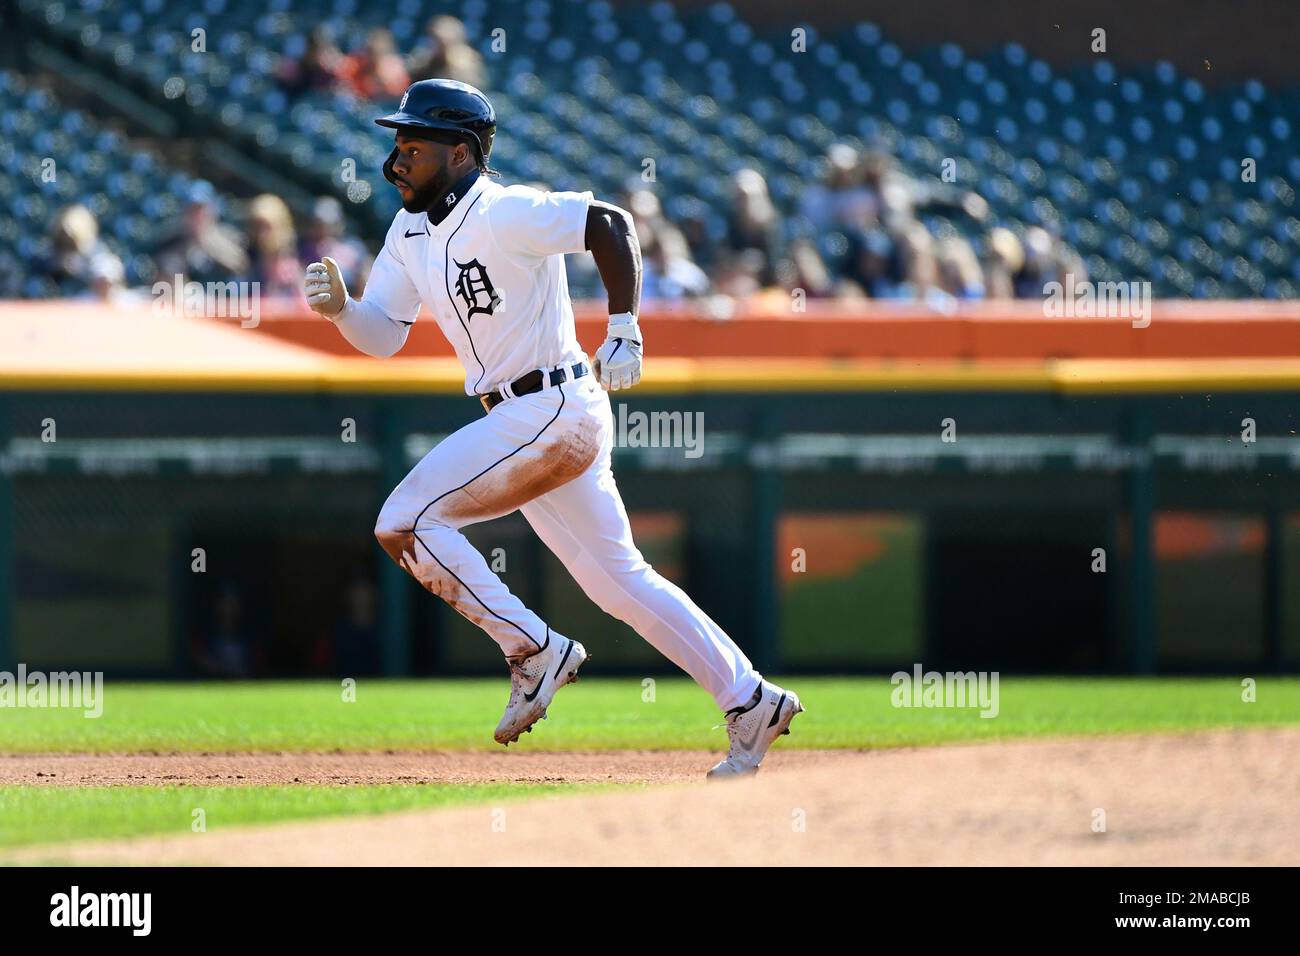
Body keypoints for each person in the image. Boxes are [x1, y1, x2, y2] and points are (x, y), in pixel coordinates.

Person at [303, 79, 803, 778]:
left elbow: (609, 223)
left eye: (413, 144)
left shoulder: (504, 209)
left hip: (550, 406)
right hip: (530, 417)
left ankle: (534, 650)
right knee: (621, 583)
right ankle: (750, 700)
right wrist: (344, 311)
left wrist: (625, 326)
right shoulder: (409, 231)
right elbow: (384, 334)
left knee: (405, 522)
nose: (398, 158)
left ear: (462, 153)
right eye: (397, 143)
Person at [407, 15, 486, 88]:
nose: (435, 43)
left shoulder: (466, 64)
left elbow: (473, 90)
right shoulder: (423, 61)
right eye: (433, 38)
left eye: (439, 40)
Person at [339, 28, 409, 101]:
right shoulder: (358, 64)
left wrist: (382, 85)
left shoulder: (394, 67)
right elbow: (345, 84)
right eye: (369, 51)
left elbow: (399, 94)